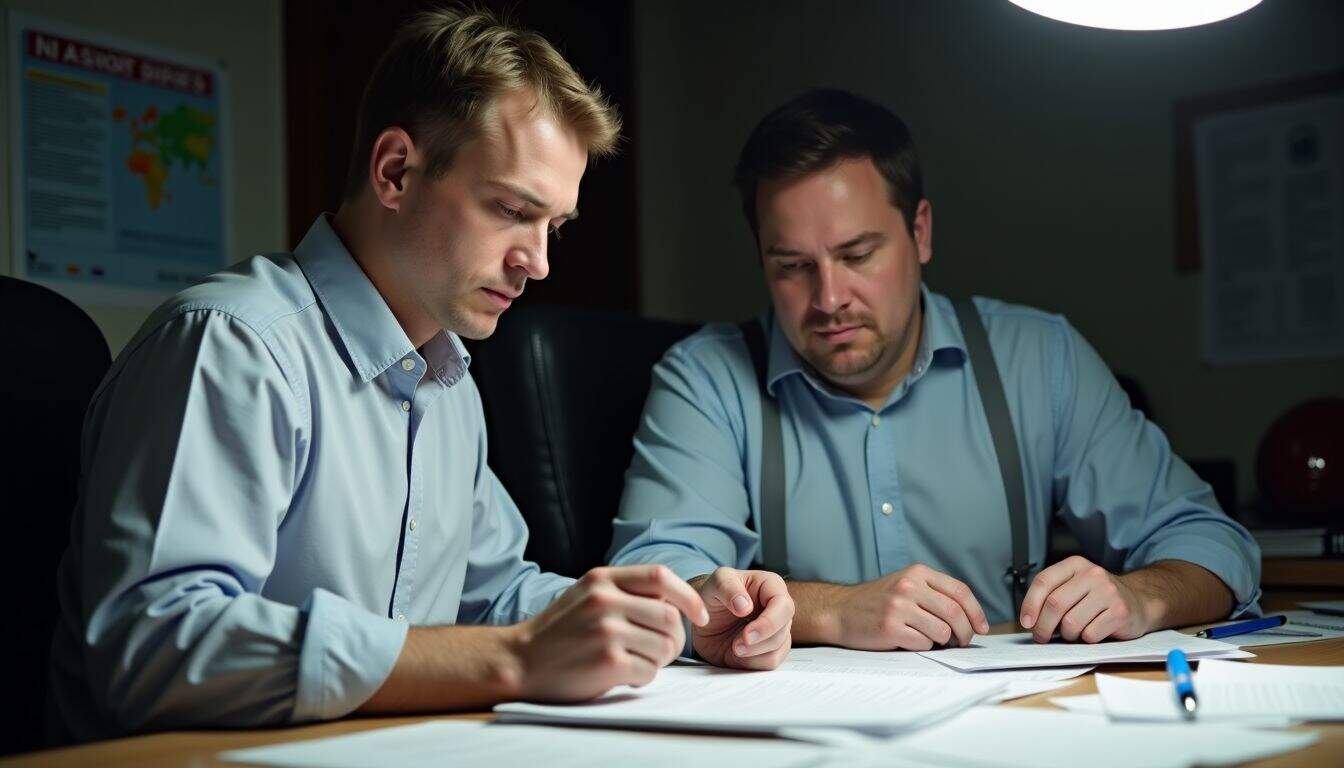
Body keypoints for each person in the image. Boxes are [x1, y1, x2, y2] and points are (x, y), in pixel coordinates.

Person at [48, 7, 792, 744]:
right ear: (396, 170)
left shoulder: (448, 383)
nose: (538, 262)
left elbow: (494, 597)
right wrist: (516, 659)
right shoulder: (232, 346)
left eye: (552, 227)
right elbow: (151, 646)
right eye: (510, 210)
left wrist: (681, 620)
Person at [609, 88, 1259, 653]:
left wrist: (1142, 596)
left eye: (858, 254)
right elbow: (653, 580)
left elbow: (1210, 541)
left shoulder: (1041, 357)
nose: (829, 297)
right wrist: (831, 609)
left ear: (920, 232)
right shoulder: (706, 379)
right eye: (791, 266)